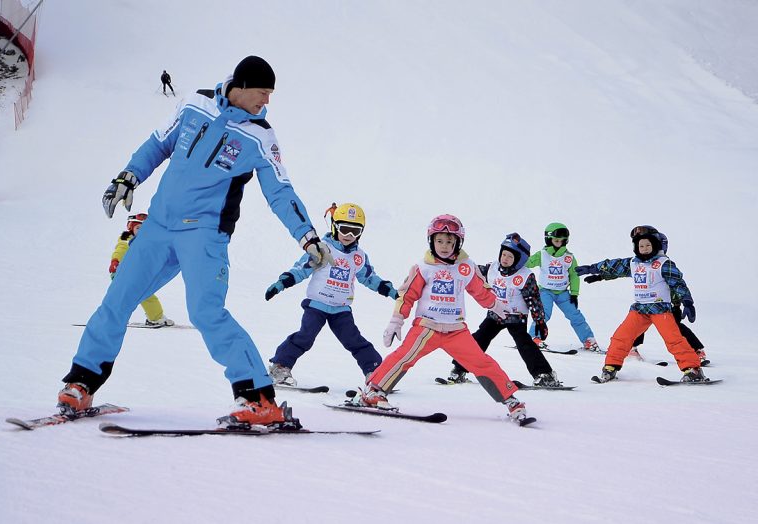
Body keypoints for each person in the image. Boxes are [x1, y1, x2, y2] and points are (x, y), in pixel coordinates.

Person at [57, 56, 333, 429]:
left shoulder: (260, 135)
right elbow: (158, 144)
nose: (266, 101)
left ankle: (259, 399)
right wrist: (128, 176)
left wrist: (308, 236)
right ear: (241, 85)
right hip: (158, 226)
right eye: (262, 92)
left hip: (204, 235)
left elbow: (280, 191)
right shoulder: (193, 103)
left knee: (206, 312)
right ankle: (81, 384)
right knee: (116, 301)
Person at [355, 214, 531, 424]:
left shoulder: (465, 266)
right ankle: (373, 391)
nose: (444, 246)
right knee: (404, 356)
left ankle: (511, 401)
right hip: (426, 327)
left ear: (458, 242)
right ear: (431, 241)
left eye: (450, 241)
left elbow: (480, 290)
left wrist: (495, 305)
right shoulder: (423, 267)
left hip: (456, 330)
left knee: (482, 362)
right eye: (439, 241)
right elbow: (407, 295)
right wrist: (397, 320)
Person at [266, 203, 399, 385]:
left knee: (354, 340)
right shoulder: (321, 248)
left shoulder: (358, 256)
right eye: (345, 229)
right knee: (305, 336)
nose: (349, 235)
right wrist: (282, 283)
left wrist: (389, 290)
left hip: (341, 309)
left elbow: (369, 278)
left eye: (355, 231)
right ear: (334, 226)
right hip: (317, 305)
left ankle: (376, 372)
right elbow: (301, 269)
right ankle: (279, 367)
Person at [575, 228, 706, 382]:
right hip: (640, 309)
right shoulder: (634, 263)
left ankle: (693, 370)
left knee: (674, 340)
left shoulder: (664, 264)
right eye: (640, 246)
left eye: (647, 246)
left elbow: (678, 283)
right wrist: (594, 269)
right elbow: (614, 266)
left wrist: (687, 302)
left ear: (656, 246)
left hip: (660, 310)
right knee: (621, 338)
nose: (644, 249)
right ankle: (610, 367)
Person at [441, 232, 561, 387]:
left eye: (510, 257)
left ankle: (545, 375)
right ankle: (459, 369)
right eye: (503, 255)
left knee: (525, 344)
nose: (505, 259)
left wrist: (540, 322)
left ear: (519, 260)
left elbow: (534, 300)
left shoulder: (525, 276)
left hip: (516, 317)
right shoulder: (492, 268)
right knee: (479, 339)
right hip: (495, 314)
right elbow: (472, 272)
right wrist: (453, 266)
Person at [526, 222, 601, 352]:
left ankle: (589, 340)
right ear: (549, 239)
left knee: (575, 316)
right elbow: (528, 263)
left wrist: (574, 293)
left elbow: (574, 275)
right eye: (556, 240)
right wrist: (518, 257)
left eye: (562, 240)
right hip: (545, 291)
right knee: (543, 315)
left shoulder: (569, 257)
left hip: (563, 293)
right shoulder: (542, 255)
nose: (559, 242)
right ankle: (534, 338)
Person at [109, 212, 174, 327]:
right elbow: (120, 250)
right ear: (131, 228)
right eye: (138, 228)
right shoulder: (127, 240)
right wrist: (115, 262)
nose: (141, 230)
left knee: (142, 295)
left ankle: (155, 317)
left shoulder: (147, 241)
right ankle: (155, 318)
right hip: (123, 273)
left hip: (137, 274)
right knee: (140, 295)